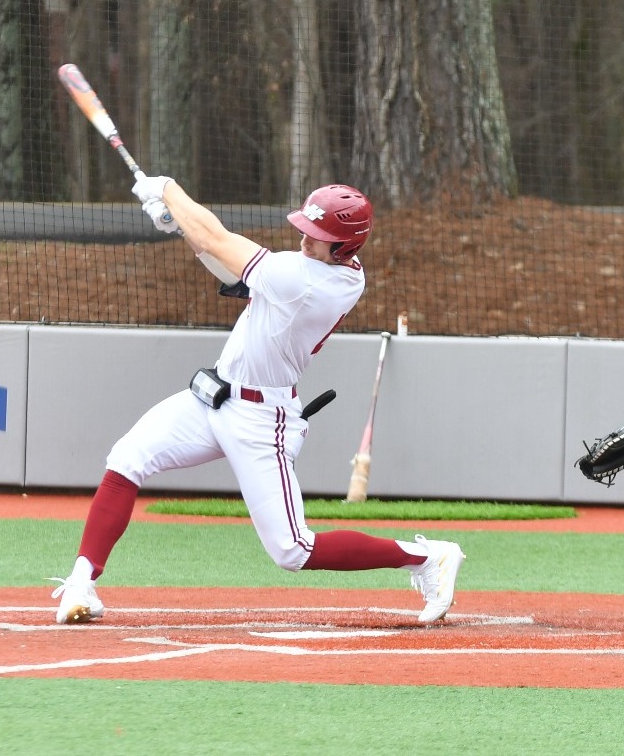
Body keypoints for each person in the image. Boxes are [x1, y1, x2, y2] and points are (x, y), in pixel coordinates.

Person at [47, 177, 465, 625]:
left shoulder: (309, 282)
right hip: (215, 397)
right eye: (306, 229)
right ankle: (81, 582)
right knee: (128, 457)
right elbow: (230, 269)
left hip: (262, 417)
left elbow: (216, 239)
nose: (306, 240)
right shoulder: (306, 269)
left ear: (345, 247)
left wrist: (170, 191)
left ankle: (426, 558)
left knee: (293, 550)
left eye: (320, 238)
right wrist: (179, 225)